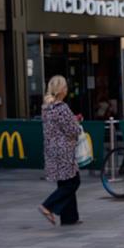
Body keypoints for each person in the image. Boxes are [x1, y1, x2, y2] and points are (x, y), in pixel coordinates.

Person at [39, 75, 83, 226]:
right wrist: (77, 125)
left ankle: (69, 218)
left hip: (52, 150)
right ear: (62, 90)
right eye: (65, 86)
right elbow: (72, 130)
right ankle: (47, 205)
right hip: (64, 150)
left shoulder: (46, 108)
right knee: (73, 182)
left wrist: (73, 120)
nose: (67, 89)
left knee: (64, 182)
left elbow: (57, 126)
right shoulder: (62, 108)